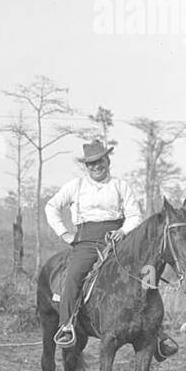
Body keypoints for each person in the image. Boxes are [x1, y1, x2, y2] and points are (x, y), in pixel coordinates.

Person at [45, 139, 141, 349]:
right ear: (86, 166)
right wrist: (64, 233)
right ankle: (66, 325)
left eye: (100, 161)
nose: (96, 166)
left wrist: (123, 231)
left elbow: (135, 215)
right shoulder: (75, 186)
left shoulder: (120, 185)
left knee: (142, 272)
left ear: (108, 161)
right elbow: (51, 207)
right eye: (91, 163)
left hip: (117, 240)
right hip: (87, 241)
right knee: (73, 275)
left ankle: (155, 330)